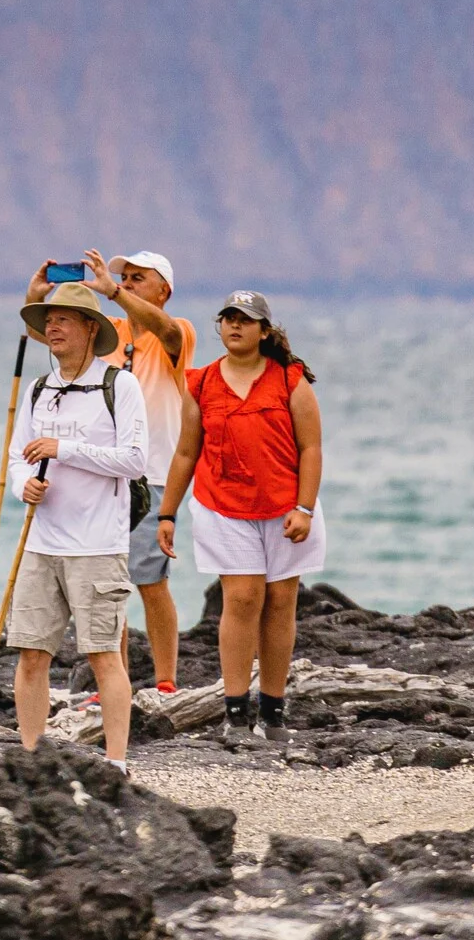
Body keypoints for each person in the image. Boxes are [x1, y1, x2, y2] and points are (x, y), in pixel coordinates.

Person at [157, 291, 324, 743]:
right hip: (222, 505)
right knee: (244, 597)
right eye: (228, 318)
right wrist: (166, 513)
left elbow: (311, 448)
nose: (235, 326)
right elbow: (186, 452)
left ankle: (272, 712)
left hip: (287, 507)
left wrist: (304, 508)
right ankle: (235, 714)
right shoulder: (203, 382)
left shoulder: (290, 381)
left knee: (281, 602)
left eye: (246, 321)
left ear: (264, 331)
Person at [29, 249, 193, 694]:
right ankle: (113, 680)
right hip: (106, 470)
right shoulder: (114, 332)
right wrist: (37, 297)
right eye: (126, 277)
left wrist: (115, 293)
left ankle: (165, 681)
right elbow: (51, 337)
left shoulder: (177, 333)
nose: (130, 282)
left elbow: (164, 328)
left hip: (153, 470)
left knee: (150, 579)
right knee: (109, 579)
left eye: (140, 278)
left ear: (164, 289)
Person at [6, 283, 147, 773]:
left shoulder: (119, 385)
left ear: (92, 328)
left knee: (104, 655)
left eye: (65, 319)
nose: (53, 327)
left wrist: (62, 450)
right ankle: (31, 758)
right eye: (49, 319)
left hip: (98, 544)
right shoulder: (39, 390)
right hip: (41, 542)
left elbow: (134, 460)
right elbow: (15, 456)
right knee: (30, 654)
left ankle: (115, 762)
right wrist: (23, 485)